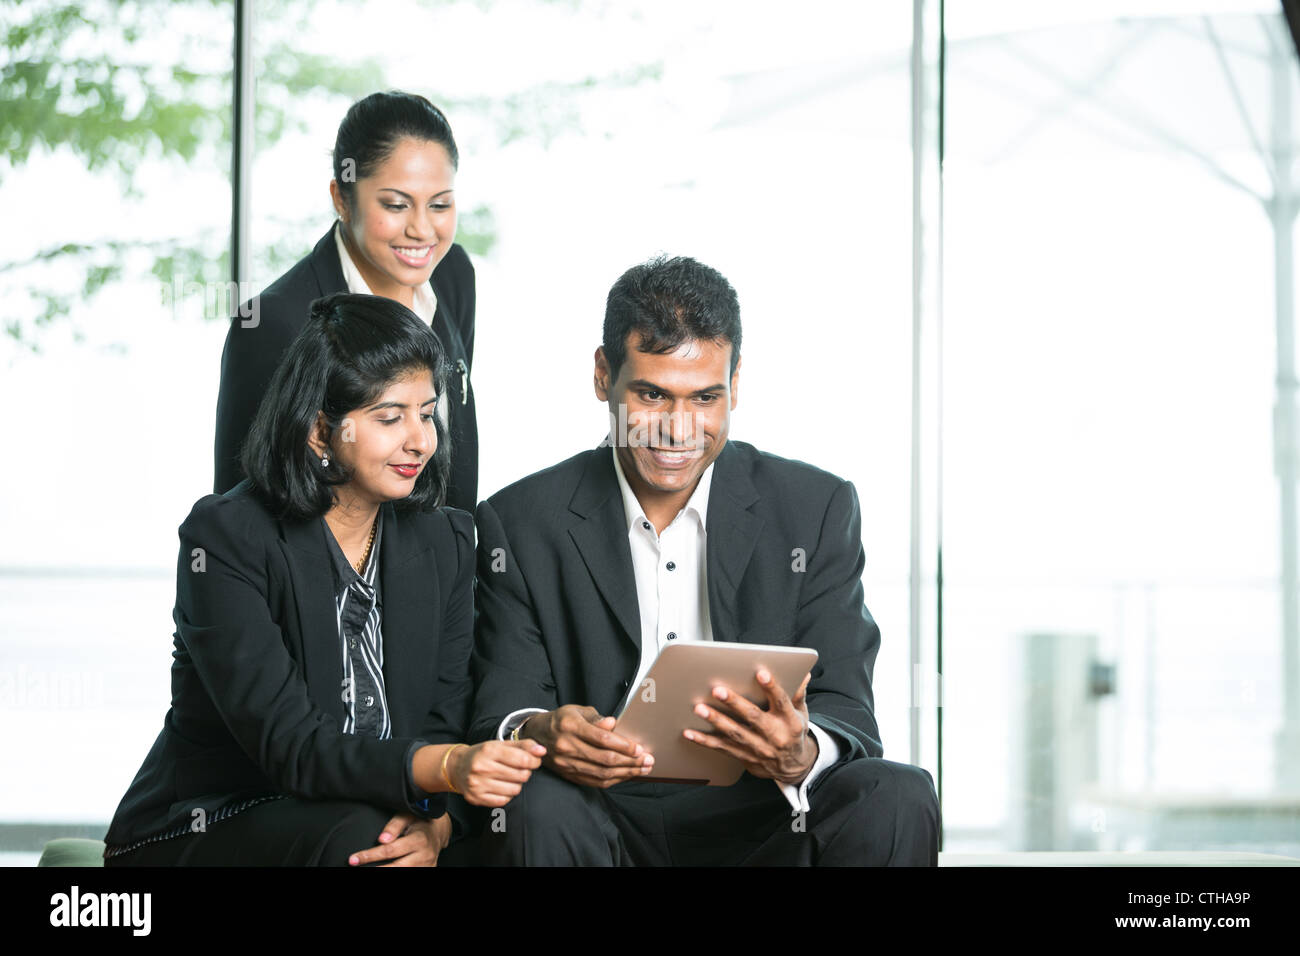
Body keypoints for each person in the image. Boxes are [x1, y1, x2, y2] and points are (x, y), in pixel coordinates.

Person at [469, 256, 940, 865]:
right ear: (602, 375)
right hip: (595, 814)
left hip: (762, 812)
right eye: (652, 395)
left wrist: (800, 752)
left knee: (898, 793)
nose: (678, 429)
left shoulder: (815, 507)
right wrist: (542, 731)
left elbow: (845, 703)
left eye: (705, 397)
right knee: (534, 803)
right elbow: (502, 704)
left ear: (735, 384)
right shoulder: (521, 518)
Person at [105, 293, 543, 866]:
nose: (421, 441)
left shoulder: (447, 541)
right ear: (319, 432)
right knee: (364, 840)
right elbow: (291, 748)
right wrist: (446, 769)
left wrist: (435, 825)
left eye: (427, 412)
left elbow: (446, 717)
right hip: (218, 821)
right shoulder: (226, 538)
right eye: (390, 418)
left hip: (376, 807)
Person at [214, 90, 479, 513]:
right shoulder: (271, 322)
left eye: (440, 205)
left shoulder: (453, 277)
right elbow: (237, 513)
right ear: (341, 198)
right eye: (395, 204)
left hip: (441, 569)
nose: (422, 229)